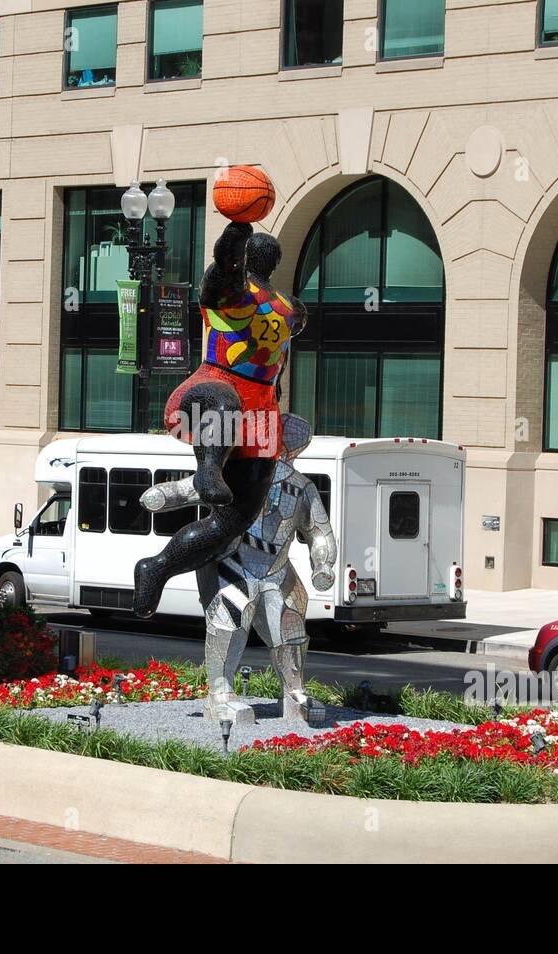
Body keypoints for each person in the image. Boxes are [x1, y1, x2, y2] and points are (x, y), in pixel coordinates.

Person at [131, 220, 306, 618]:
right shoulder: (234, 292)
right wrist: (236, 230)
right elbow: (224, 268)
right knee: (224, 404)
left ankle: (157, 567)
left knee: (232, 522)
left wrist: (237, 233)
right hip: (211, 390)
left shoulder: (288, 307)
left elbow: (226, 269)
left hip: (259, 411)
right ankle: (207, 469)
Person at [140, 415, 335, 723]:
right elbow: (192, 488)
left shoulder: (302, 487)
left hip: (277, 568)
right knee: (231, 618)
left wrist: (322, 562)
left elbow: (320, 532)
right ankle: (220, 694)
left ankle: (294, 691)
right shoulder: (236, 475)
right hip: (233, 561)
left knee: (290, 624)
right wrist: (166, 495)